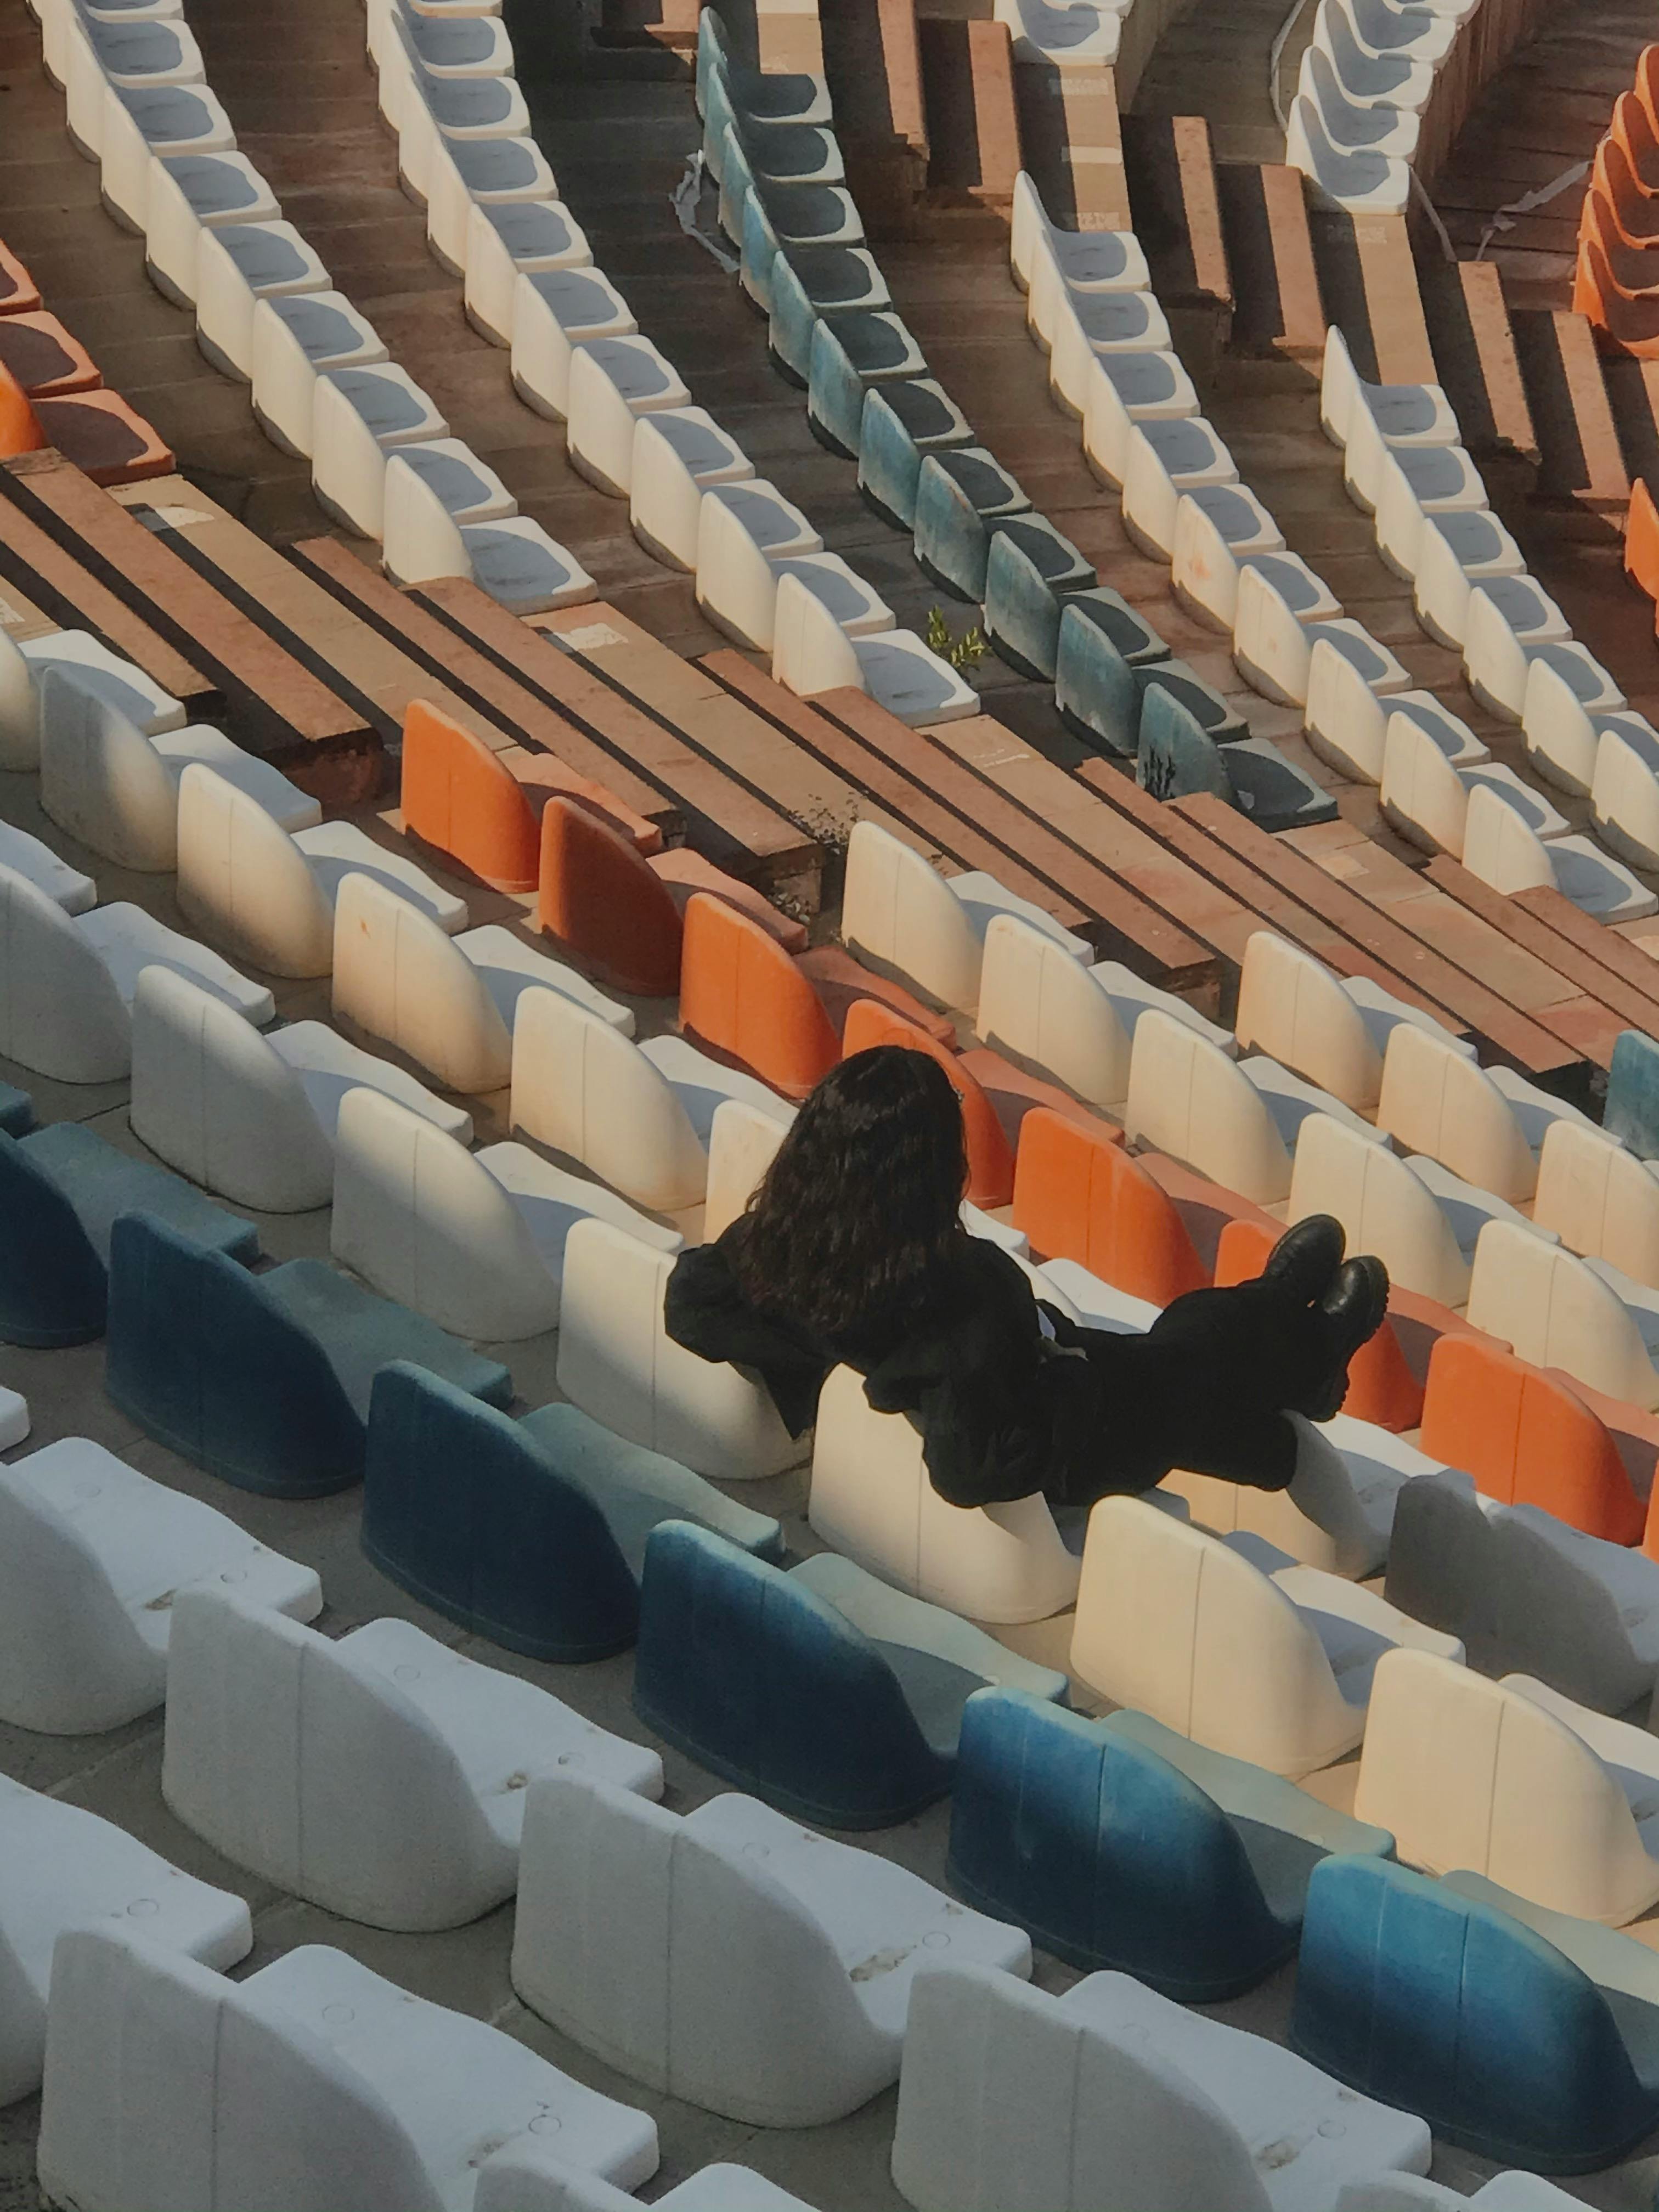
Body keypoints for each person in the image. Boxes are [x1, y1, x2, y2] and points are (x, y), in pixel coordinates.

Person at [664, 1043, 1389, 1512]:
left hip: (1034, 1376)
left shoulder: (778, 1247)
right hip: (1089, 1435)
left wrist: (814, 1357)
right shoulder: (962, 1288)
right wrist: (1065, 1382)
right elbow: (969, 1469)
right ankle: (1307, 1338)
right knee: (1191, 1349)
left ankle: (1290, 1379)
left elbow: (690, 1301)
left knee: (1197, 1369)